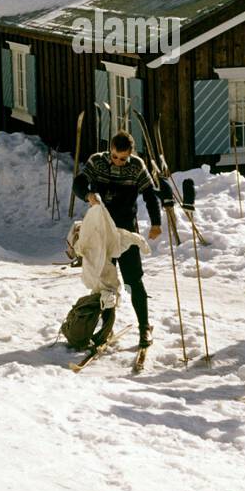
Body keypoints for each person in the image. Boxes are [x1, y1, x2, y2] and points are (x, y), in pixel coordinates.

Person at [72, 130, 162, 349]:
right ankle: (105, 328)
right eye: (114, 156)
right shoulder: (97, 162)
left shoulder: (137, 166)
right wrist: (87, 195)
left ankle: (144, 327)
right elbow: (79, 183)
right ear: (109, 150)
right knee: (105, 283)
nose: (118, 162)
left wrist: (156, 223)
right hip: (102, 232)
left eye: (123, 158)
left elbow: (150, 194)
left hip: (125, 230)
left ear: (130, 154)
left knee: (133, 280)